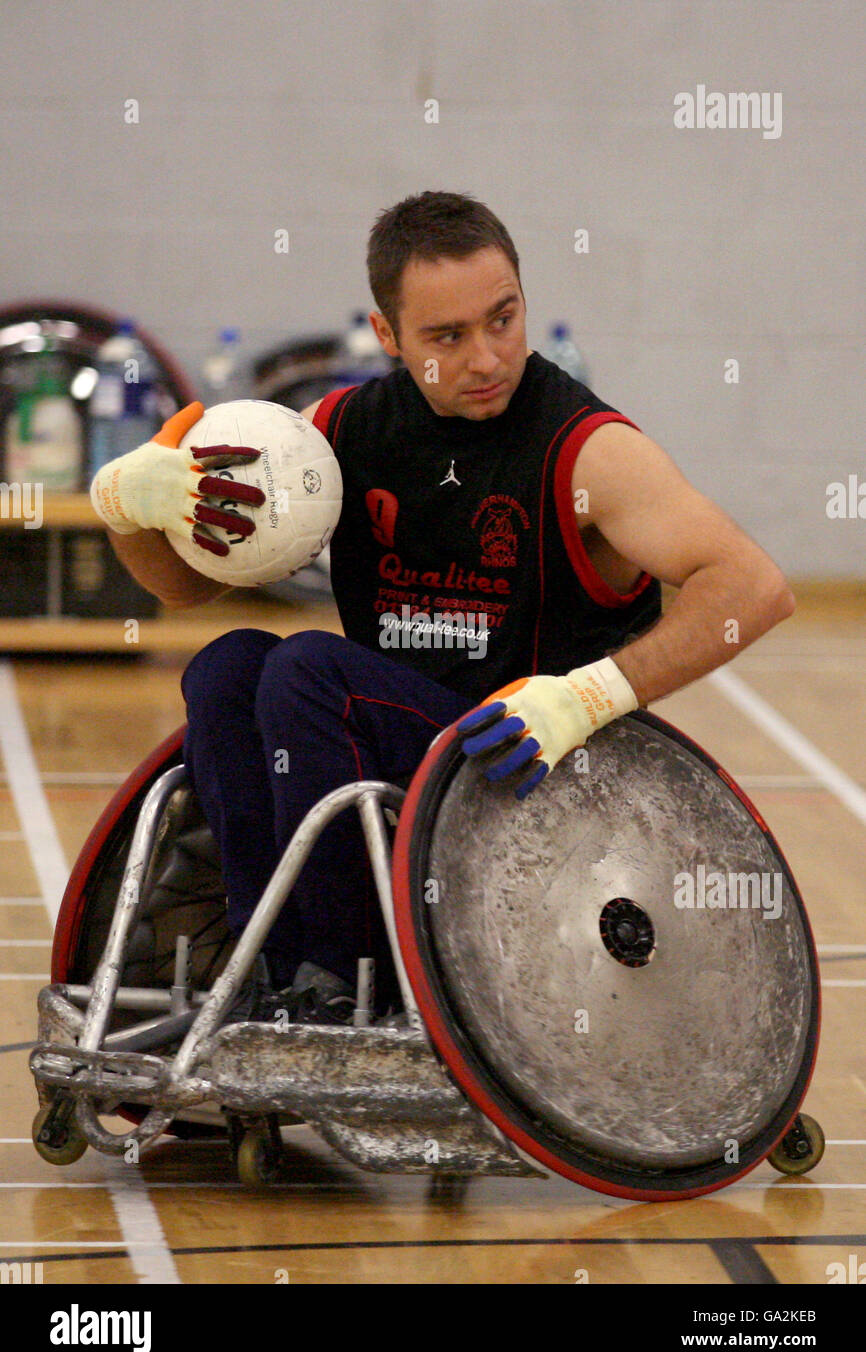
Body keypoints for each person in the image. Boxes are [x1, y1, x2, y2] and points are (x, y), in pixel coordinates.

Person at [91, 190, 795, 1023]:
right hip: (398, 745)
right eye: (447, 337)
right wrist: (129, 507)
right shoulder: (339, 436)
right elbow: (187, 589)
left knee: (307, 671)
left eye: (503, 319)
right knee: (226, 667)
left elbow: (753, 587)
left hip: (533, 765)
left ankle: (344, 977)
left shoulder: (588, 450)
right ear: (387, 337)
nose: (488, 357)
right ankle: (258, 966)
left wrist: (588, 695)